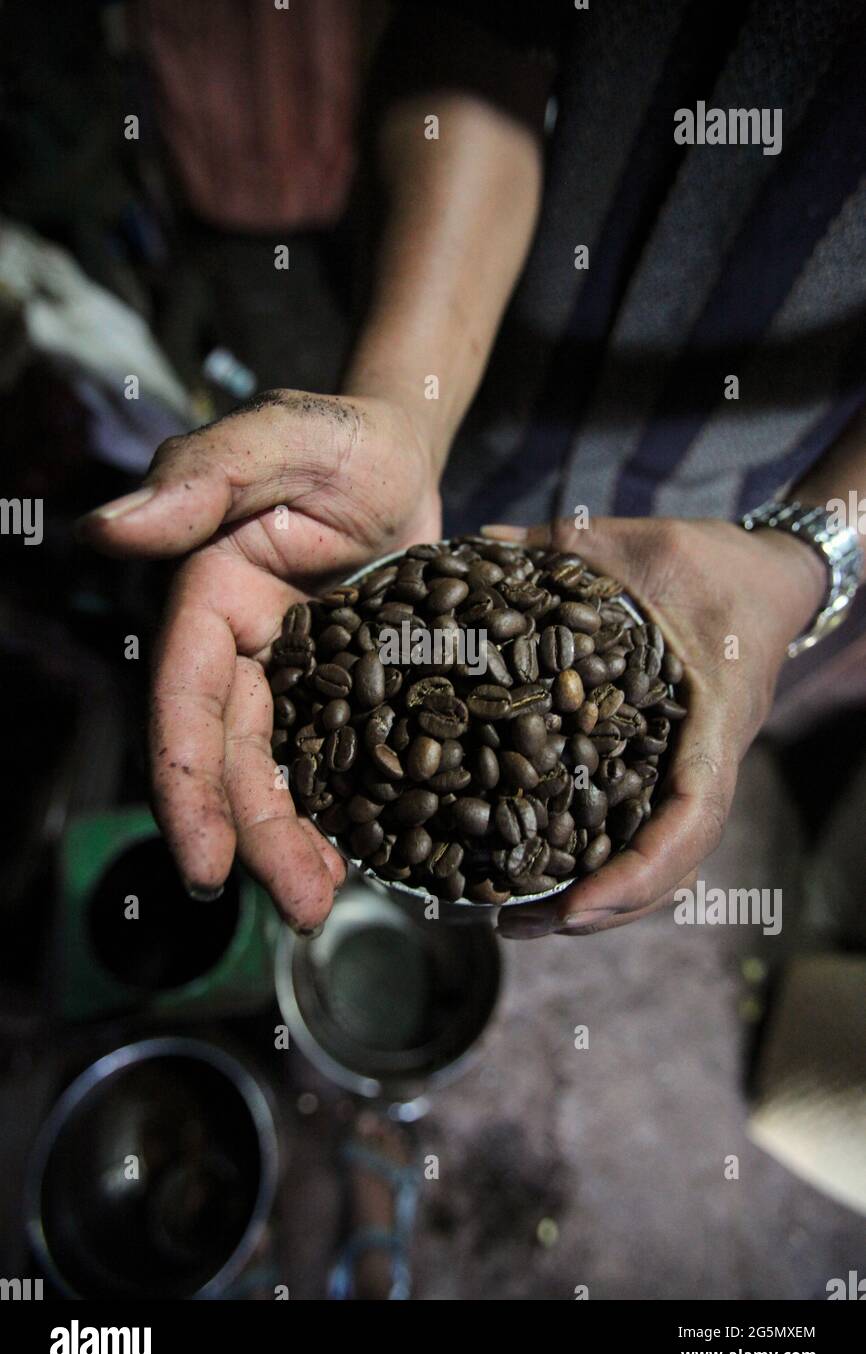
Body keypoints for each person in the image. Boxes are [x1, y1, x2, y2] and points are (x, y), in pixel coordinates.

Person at [79, 1, 866, 940]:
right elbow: (482, 36)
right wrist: (405, 406)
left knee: (693, 715)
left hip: (769, 492)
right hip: (485, 375)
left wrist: (805, 556)